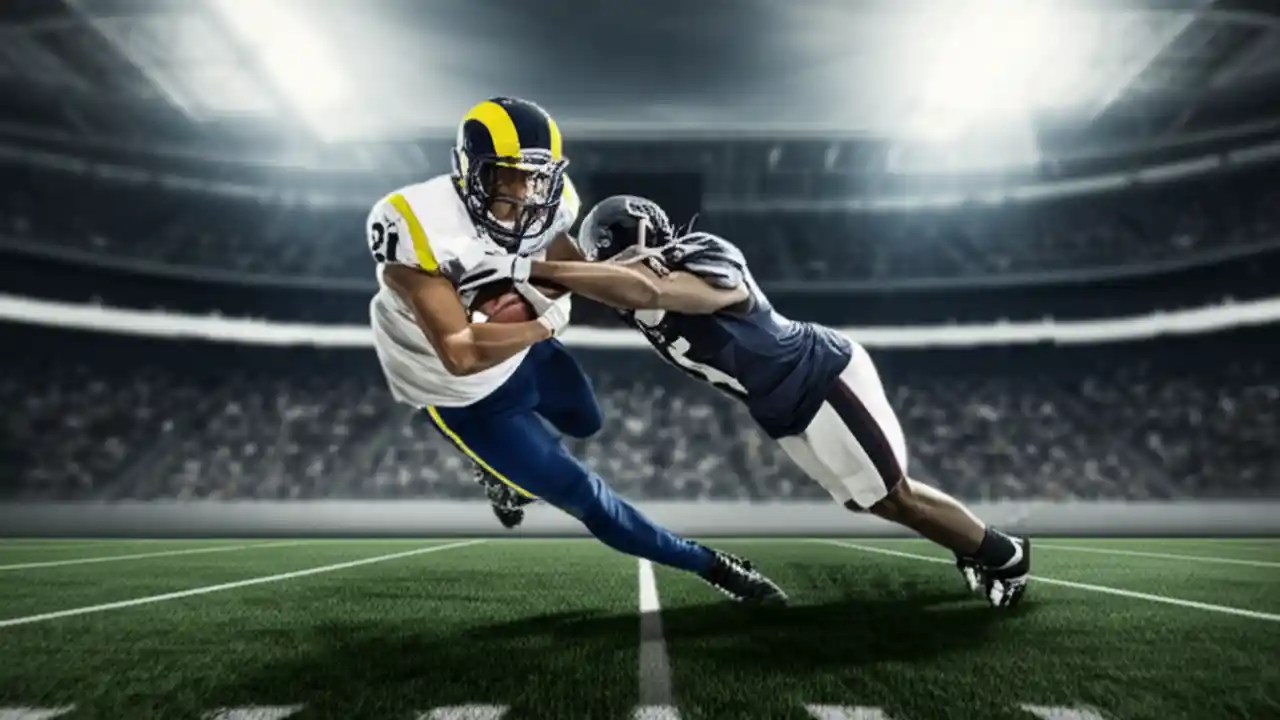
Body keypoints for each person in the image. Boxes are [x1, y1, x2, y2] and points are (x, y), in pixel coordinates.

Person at [459, 195, 1030, 607]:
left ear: (652, 240)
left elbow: (654, 290)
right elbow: (583, 286)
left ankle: (1004, 555)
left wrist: (529, 266)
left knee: (895, 495)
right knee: (867, 502)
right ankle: (970, 542)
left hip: (821, 376)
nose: (612, 275)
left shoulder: (703, 254)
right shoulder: (628, 289)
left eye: (617, 258)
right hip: (778, 407)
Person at [366, 101, 786, 604]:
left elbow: (574, 271)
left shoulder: (553, 204)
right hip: (456, 389)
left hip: (519, 361)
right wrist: (544, 323)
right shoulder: (416, 224)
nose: (526, 195)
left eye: (536, 179)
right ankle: (717, 569)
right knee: (588, 497)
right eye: (509, 177)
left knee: (588, 420)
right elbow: (460, 353)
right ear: (469, 171)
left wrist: (648, 285)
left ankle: (497, 470)